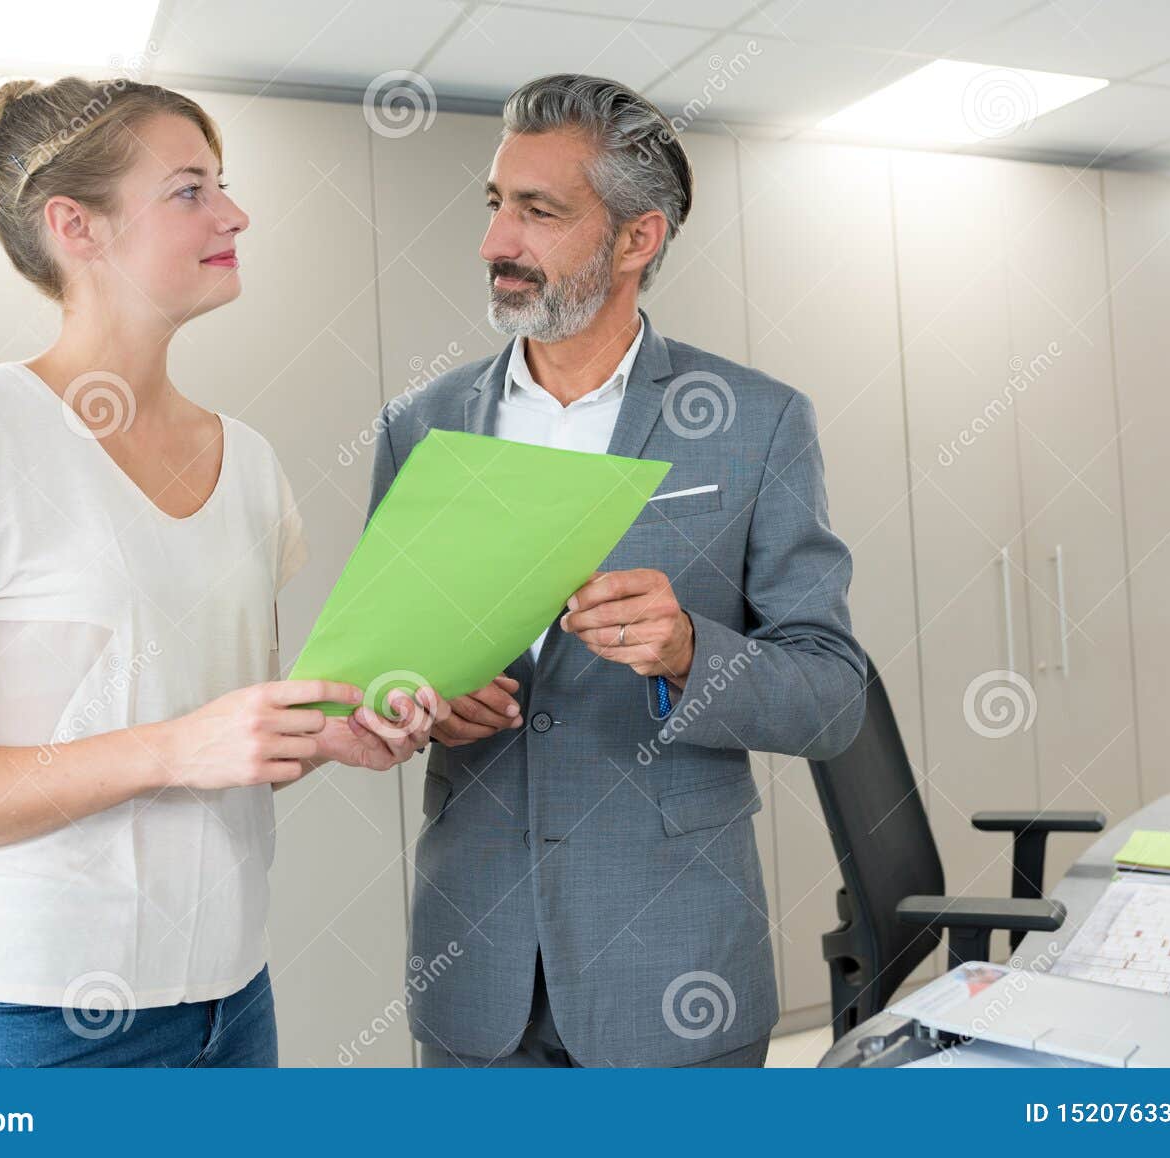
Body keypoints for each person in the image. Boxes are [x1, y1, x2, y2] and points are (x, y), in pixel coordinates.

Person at [0, 76, 444, 1068]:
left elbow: (207, 738)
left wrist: (320, 734)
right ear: (77, 226)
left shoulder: (250, 465)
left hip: (232, 1006)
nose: (234, 214)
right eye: (190, 189)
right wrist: (171, 749)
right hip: (30, 1021)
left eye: (223, 185)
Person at [368, 74, 867, 1067]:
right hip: (475, 968)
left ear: (638, 238)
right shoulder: (421, 425)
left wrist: (687, 652)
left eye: (539, 211)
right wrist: (412, 696)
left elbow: (831, 698)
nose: (495, 242)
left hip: (675, 967)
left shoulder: (758, 422)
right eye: (495, 204)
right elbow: (378, 659)